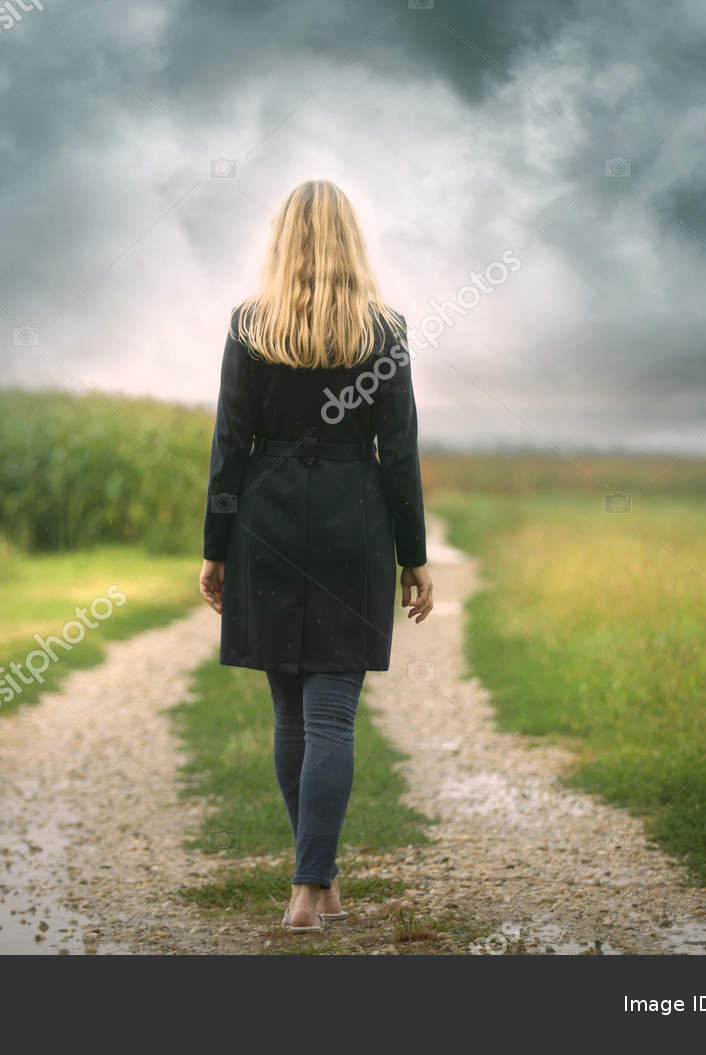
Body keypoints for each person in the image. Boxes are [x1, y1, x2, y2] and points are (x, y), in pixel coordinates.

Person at [199, 178, 433, 933]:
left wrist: (215, 548)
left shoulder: (250, 324)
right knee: (331, 715)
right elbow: (397, 453)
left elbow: (230, 446)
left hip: (264, 526)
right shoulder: (384, 330)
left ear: (282, 239)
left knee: (290, 714)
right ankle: (313, 887)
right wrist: (414, 555)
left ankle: (314, 882)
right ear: (350, 241)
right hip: (352, 526)